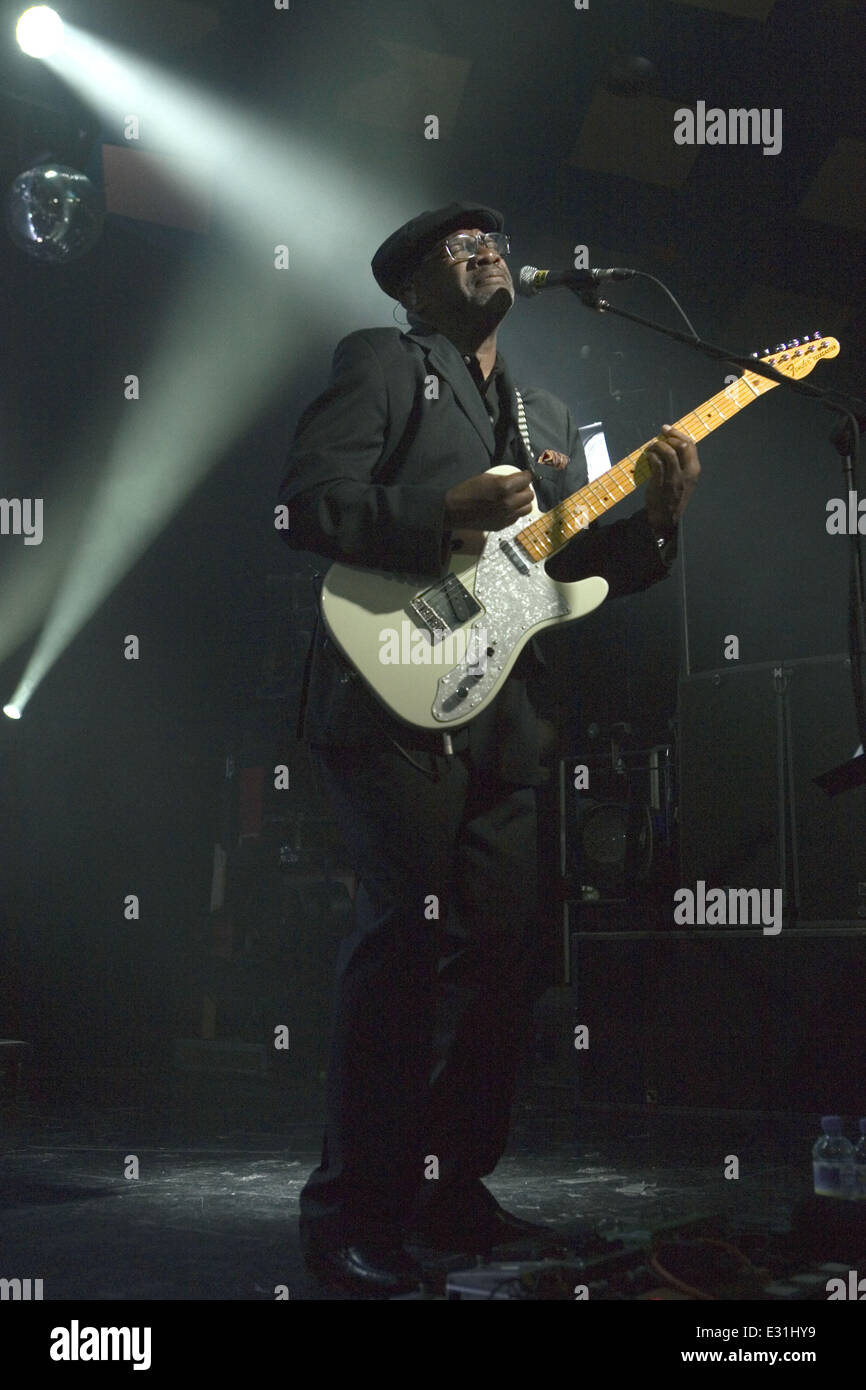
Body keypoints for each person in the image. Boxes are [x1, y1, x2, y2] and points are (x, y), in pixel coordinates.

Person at [276, 201, 700, 1296]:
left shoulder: (542, 410)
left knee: (506, 965)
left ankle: (450, 1194)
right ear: (410, 288)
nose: (485, 253)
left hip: (506, 717)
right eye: (454, 249)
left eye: (493, 243)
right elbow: (305, 508)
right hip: (390, 693)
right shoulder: (380, 360)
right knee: (401, 953)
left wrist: (654, 518)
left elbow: (586, 570)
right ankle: (351, 1216)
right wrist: (439, 514)